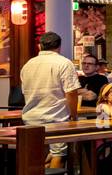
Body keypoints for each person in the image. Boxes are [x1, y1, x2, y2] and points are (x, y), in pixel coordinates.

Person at [20, 32, 81, 168]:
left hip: (31, 117)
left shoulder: (28, 65)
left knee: (36, 154)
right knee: (58, 153)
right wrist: (73, 114)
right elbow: (71, 92)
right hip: (56, 118)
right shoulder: (64, 63)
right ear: (59, 47)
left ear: (39, 46)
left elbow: (24, 91)